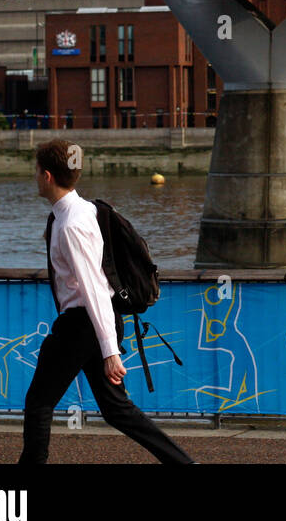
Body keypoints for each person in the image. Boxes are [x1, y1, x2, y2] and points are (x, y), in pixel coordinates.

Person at [19, 138, 193, 464]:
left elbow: (94, 287)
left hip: (81, 324)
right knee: (116, 409)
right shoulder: (87, 209)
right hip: (96, 322)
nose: (35, 177)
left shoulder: (70, 224)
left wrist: (110, 351)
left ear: (46, 176)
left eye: (35, 172)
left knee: (39, 402)